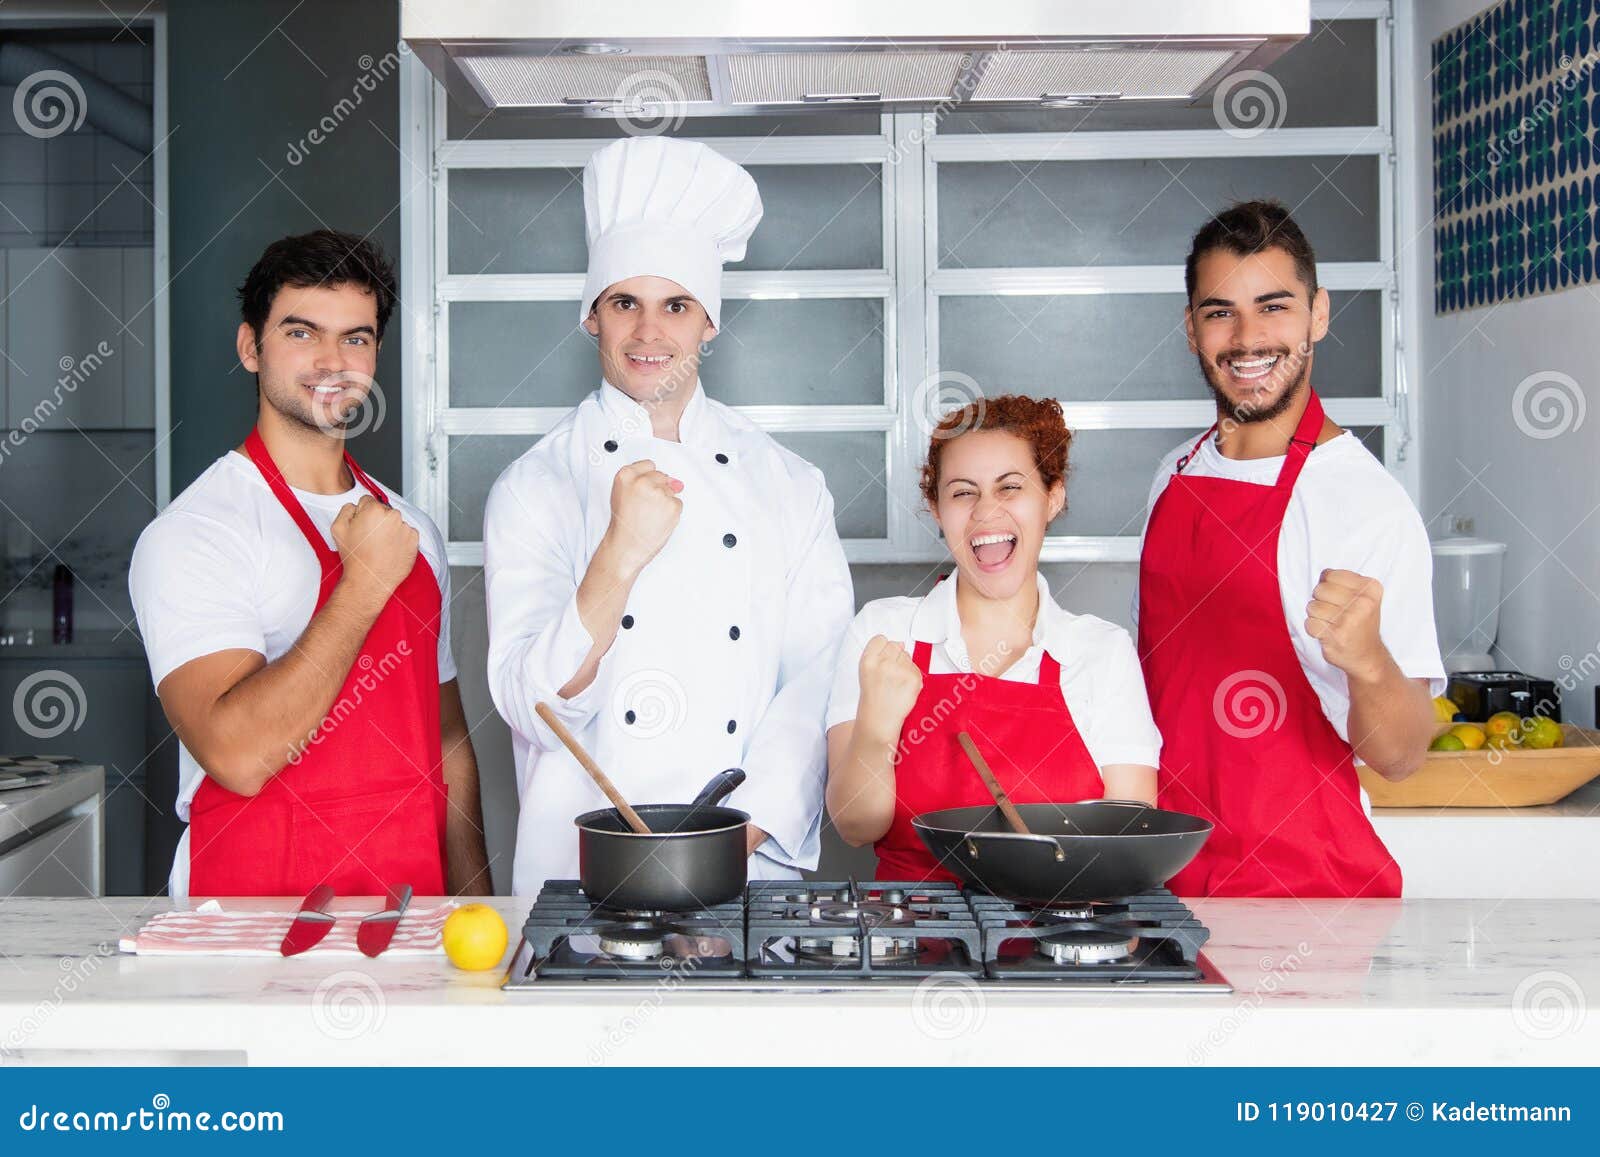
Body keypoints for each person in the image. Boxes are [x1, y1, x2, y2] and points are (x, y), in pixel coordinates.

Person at [484, 136, 854, 895]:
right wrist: (617, 555)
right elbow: (532, 703)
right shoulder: (534, 486)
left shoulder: (789, 483)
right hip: (584, 868)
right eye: (626, 303)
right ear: (592, 317)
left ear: (709, 323)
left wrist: (734, 836)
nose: (649, 334)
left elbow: (819, 679)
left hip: (748, 867)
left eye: (676, 306)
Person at [131, 230, 489, 899]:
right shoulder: (195, 533)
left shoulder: (412, 530)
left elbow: (445, 742)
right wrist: (363, 589)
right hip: (248, 929)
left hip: (407, 917)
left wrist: (476, 902)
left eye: (355, 337)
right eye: (302, 332)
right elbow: (237, 754)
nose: (333, 360)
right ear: (250, 347)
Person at [1137, 200, 1445, 898]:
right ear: (1191, 330)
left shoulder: (1366, 503)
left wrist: (1369, 664)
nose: (1247, 338)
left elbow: (1400, 755)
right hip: (1168, 879)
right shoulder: (1175, 472)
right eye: (1220, 312)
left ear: (1319, 315)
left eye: (1273, 307)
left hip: (1304, 888)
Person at [825, 395, 1161, 882]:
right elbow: (856, 826)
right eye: (963, 493)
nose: (986, 512)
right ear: (936, 509)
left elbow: (1128, 841)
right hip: (908, 941)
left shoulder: (1101, 651)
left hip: (1056, 941)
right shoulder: (885, 634)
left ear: (1053, 496)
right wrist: (877, 728)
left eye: (1010, 487)